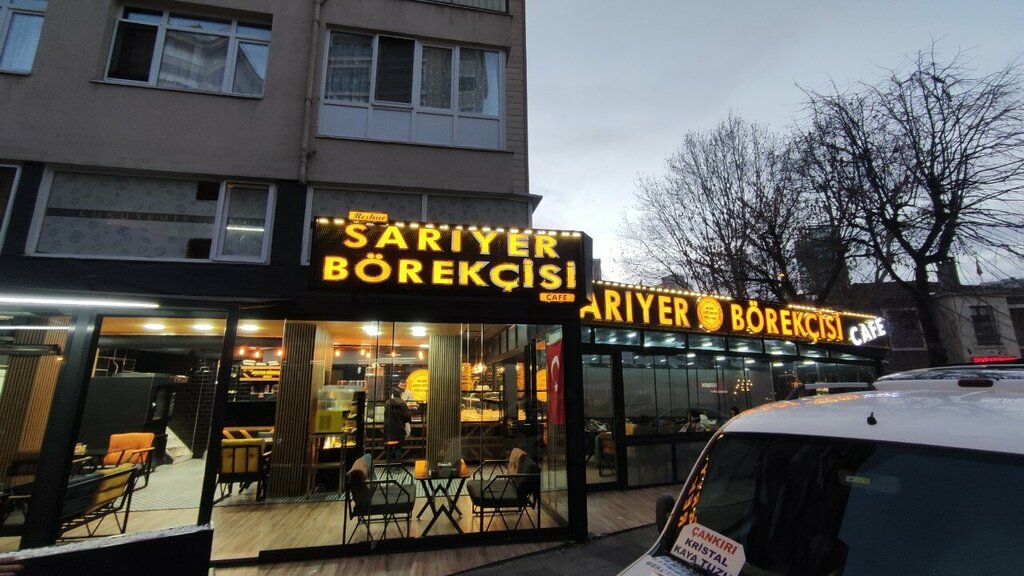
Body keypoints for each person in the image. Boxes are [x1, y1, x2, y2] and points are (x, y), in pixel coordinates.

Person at [385, 388, 411, 463]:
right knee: (398, 448)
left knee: (389, 448)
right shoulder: (403, 403)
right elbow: (407, 417)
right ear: (400, 394)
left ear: (393, 394)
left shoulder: (387, 403)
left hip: (389, 428)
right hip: (399, 428)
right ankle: (397, 466)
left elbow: (385, 415)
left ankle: (388, 466)